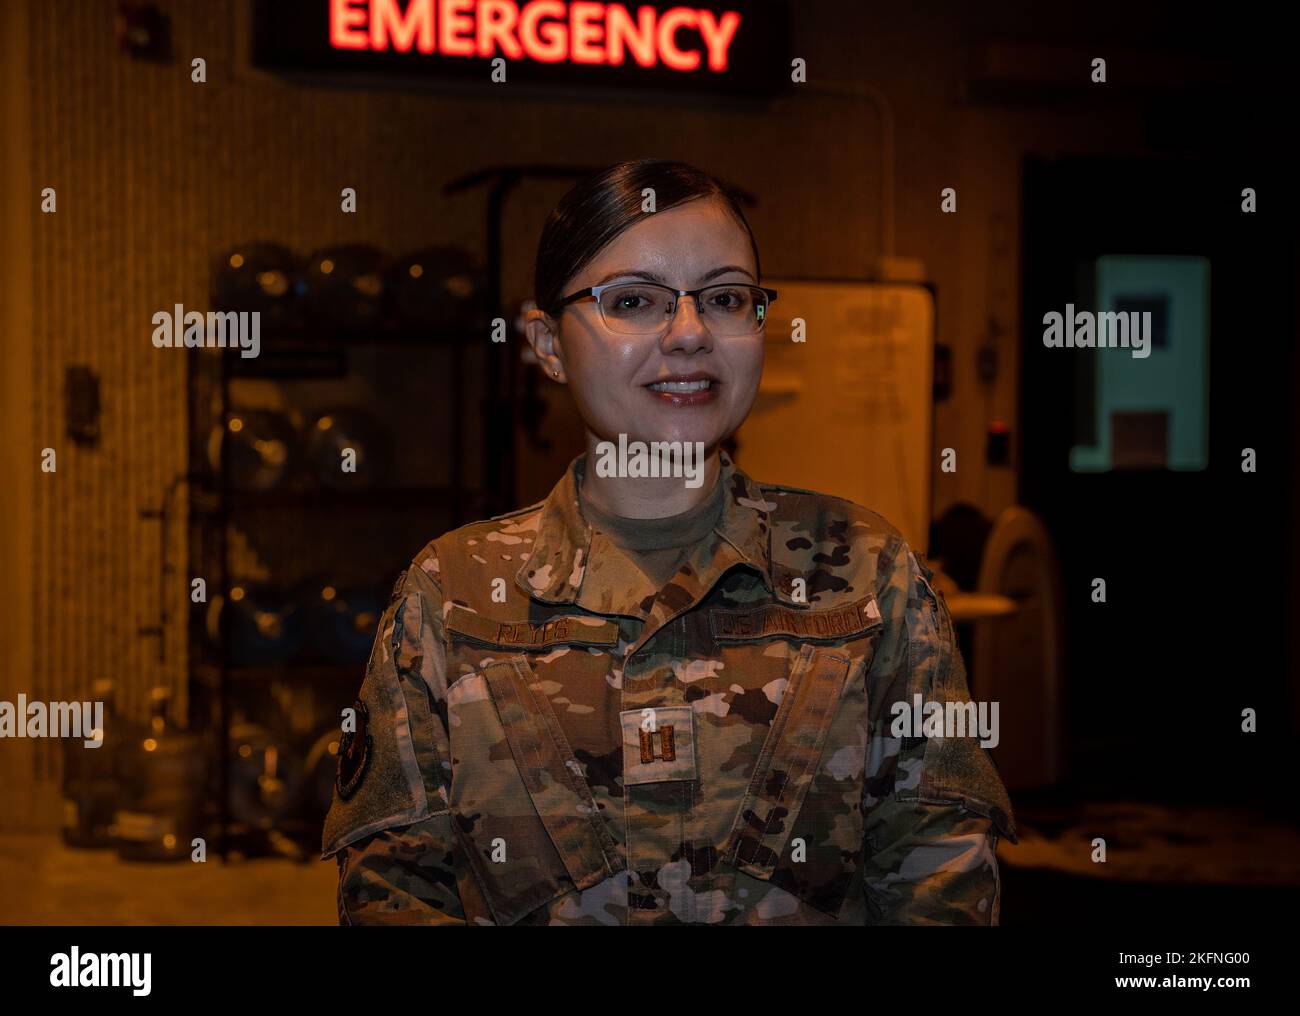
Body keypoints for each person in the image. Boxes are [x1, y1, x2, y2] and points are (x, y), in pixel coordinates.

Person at [321, 158, 1017, 925]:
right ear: (547, 344)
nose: (689, 334)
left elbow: (939, 885)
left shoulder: (868, 574)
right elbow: (394, 898)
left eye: (724, 299)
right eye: (634, 301)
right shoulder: (451, 596)